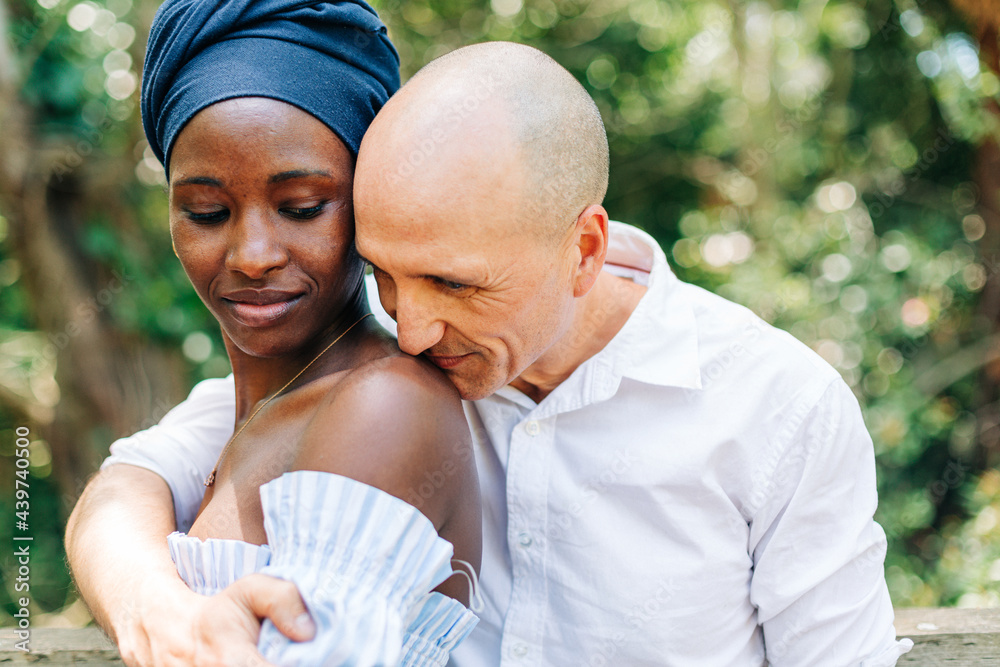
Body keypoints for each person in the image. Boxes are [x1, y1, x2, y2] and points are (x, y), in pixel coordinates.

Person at [66, 41, 914, 666]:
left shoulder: (776, 407)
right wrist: (152, 606)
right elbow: (130, 483)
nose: (417, 326)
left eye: (456, 284)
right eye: (387, 275)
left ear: (583, 250)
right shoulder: (375, 371)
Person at [64, 1, 483, 665]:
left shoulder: (387, 403)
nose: (252, 254)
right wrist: (156, 605)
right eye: (206, 211)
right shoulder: (240, 410)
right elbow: (117, 491)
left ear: (369, 200)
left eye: (301, 207)